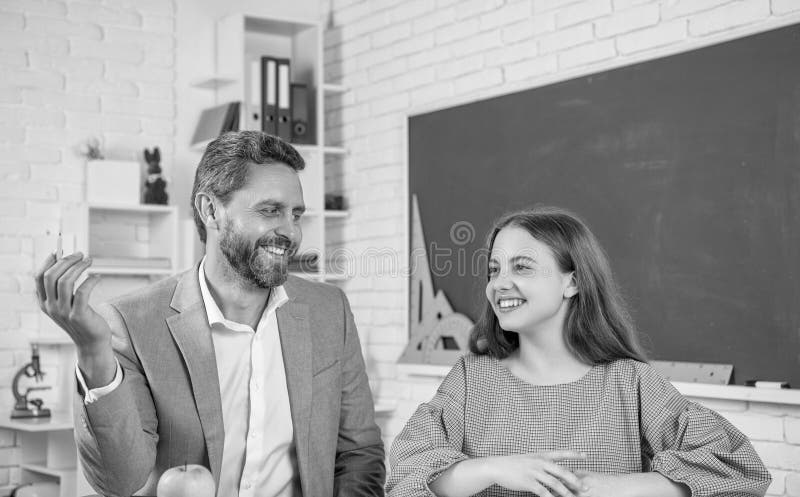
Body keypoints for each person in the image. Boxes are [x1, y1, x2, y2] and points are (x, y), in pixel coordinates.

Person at [34, 131, 385, 497]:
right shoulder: (132, 324)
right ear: (210, 210)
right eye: (270, 210)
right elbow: (120, 480)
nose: (291, 231)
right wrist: (93, 351)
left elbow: (360, 452)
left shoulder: (330, 311)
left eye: (296, 214)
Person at [386, 206, 770, 497]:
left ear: (572, 282)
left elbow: (737, 467)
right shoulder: (471, 378)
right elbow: (407, 470)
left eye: (521, 267)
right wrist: (494, 469)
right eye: (494, 270)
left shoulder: (630, 382)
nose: (500, 284)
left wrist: (608, 487)